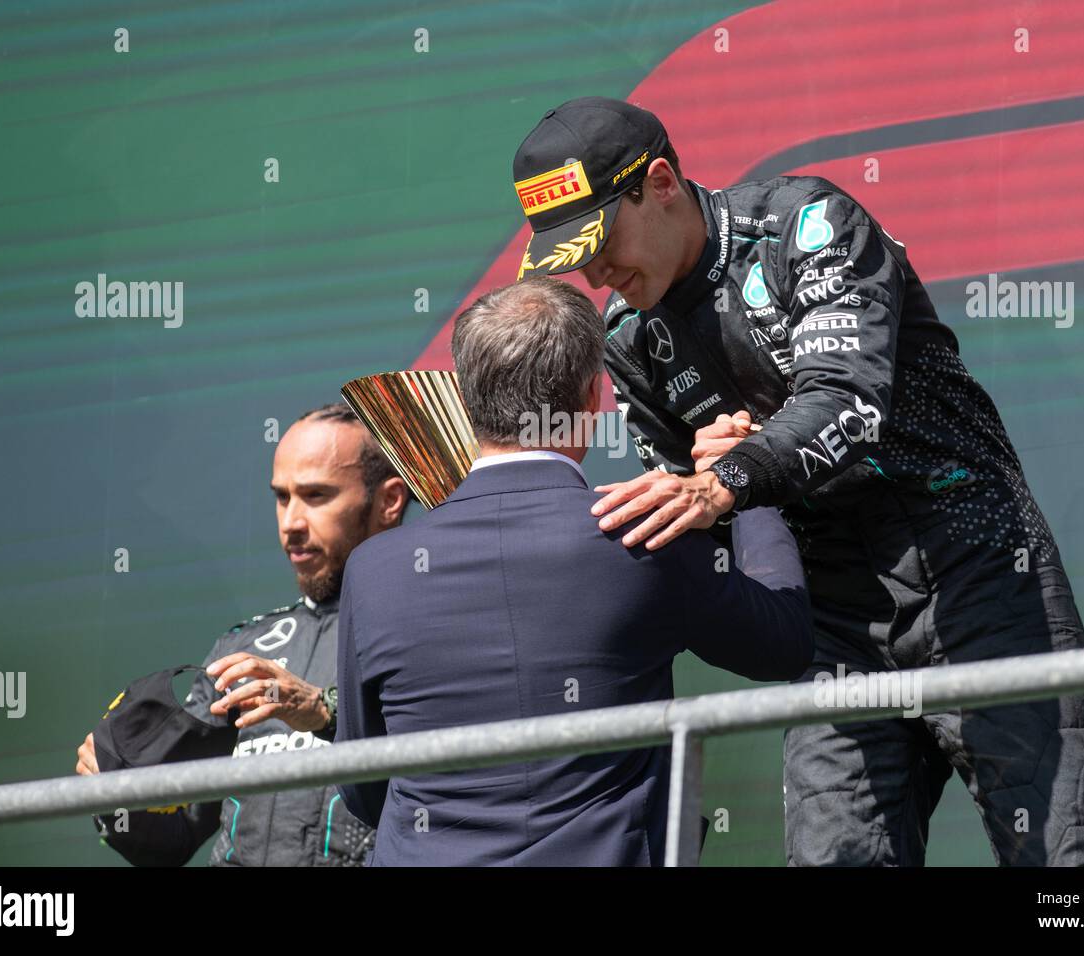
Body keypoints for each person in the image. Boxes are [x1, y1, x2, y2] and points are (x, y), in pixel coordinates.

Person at [510, 97, 1084, 866]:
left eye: (601, 240)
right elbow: (709, 527)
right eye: (574, 258)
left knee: (1067, 857)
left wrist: (723, 478)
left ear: (660, 182)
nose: (595, 271)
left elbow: (846, 401)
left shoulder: (806, 226)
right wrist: (705, 493)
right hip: (834, 622)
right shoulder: (631, 343)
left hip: (976, 565)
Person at [335, 278, 813, 866]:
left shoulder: (373, 569)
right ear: (595, 398)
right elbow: (784, 642)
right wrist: (740, 482)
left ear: (463, 401)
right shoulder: (645, 533)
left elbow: (361, 784)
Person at [74, 403, 408, 866]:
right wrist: (111, 802)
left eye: (316, 496)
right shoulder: (242, 649)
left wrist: (321, 710)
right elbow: (176, 835)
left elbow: (461, 774)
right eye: (281, 497)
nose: (291, 522)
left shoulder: (425, 632)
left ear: (389, 501)